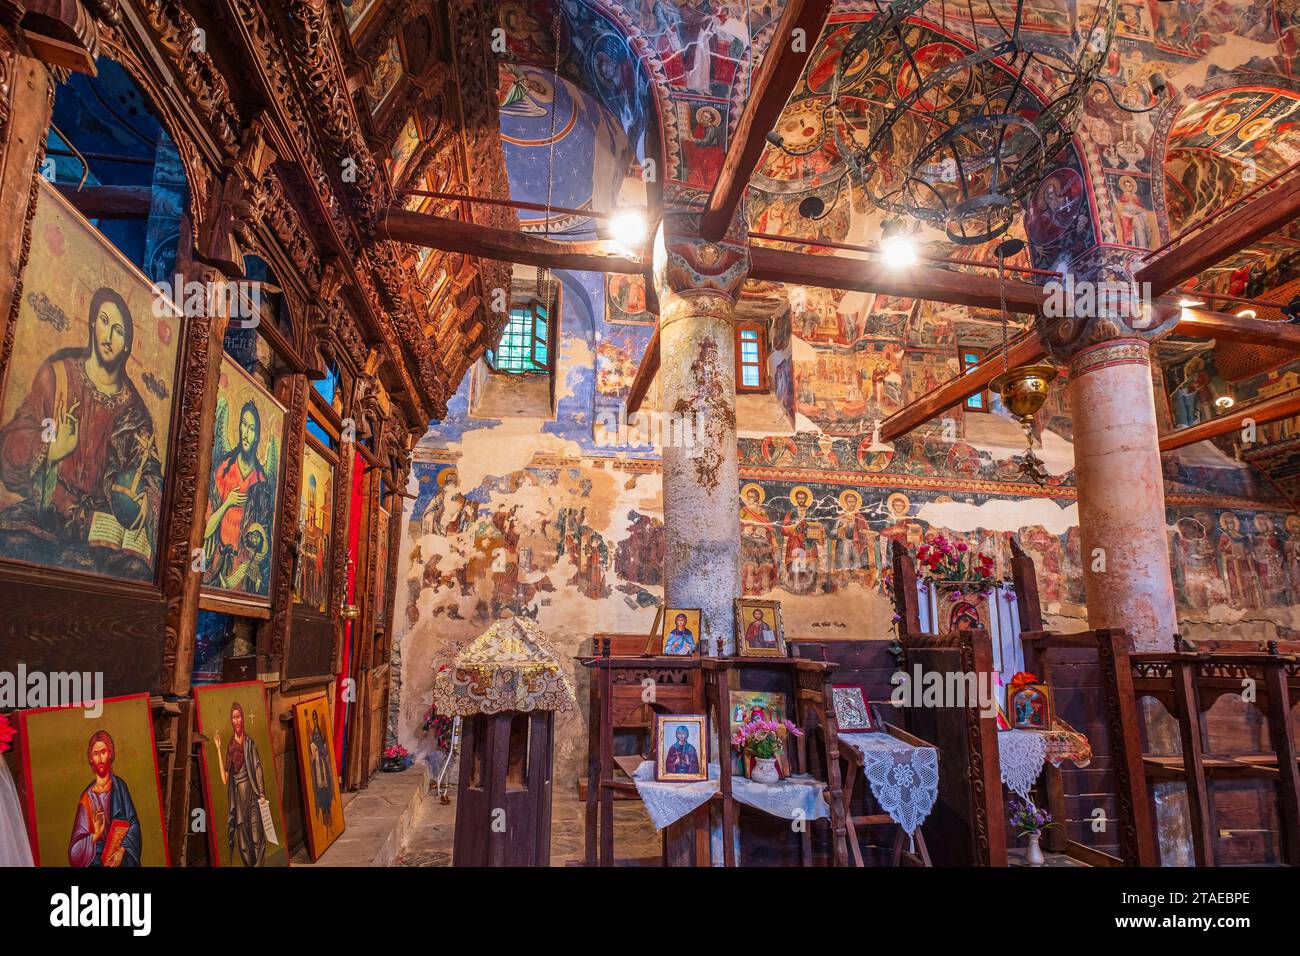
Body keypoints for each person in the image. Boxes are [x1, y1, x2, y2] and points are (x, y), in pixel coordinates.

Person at [0, 287, 162, 578]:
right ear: (91, 323)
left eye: (118, 330)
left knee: (134, 572)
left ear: (127, 344)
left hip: (101, 527)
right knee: (16, 545)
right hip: (48, 512)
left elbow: (149, 471)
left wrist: (142, 501)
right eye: (103, 321)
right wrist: (50, 447)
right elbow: (12, 445)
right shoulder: (59, 376)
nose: (108, 336)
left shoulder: (134, 413)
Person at [68, 730, 142, 867]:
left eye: (103, 752)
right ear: (91, 758)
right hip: (98, 862)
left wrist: (122, 849)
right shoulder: (87, 797)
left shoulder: (120, 786)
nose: (100, 758)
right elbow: (74, 851)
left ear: (110, 754)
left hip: (121, 859)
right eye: (95, 754)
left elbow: (133, 824)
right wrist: (96, 834)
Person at [213, 701, 269, 866]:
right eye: (233, 718)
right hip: (238, 800)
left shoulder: (250, 744)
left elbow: (257, 767)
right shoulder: (230, 747)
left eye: (238, 717)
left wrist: (262, 793)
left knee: (256, 837)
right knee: (243, 844)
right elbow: (225, 780)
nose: (236, 720)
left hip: (252, 797)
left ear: (243, 718)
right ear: (231, 721)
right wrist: (218, 749)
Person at [307, 710, 334, 829]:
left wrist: (321, 751)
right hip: (317, 765)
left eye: (315, 717)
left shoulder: (321, 733)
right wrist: (314, 750)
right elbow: (311, 749)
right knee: (320, 787)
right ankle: (324, 814)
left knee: (326, 787)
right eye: (313, 718)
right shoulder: (313, 734)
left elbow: (325, 747)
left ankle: (329, 812)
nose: (315, 720)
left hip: (322, 763)